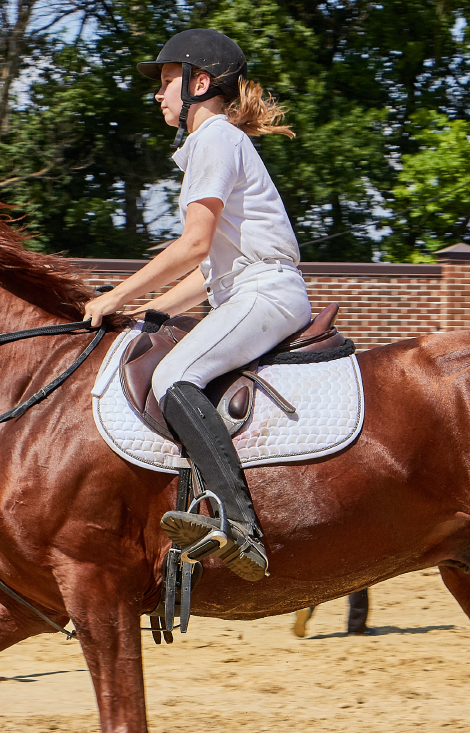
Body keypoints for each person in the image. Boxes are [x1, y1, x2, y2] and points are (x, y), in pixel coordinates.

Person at [82, 28, 313, 582]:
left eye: (166, 82)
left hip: (266, 290)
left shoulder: (214, 138)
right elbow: (208, 277)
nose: (158, 94)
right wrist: (149, 313)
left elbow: (193, 245)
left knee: (172, 376)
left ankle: (240, 526)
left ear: (199, 83)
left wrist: (115, 294)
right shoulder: (214, 143)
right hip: (246, 289)